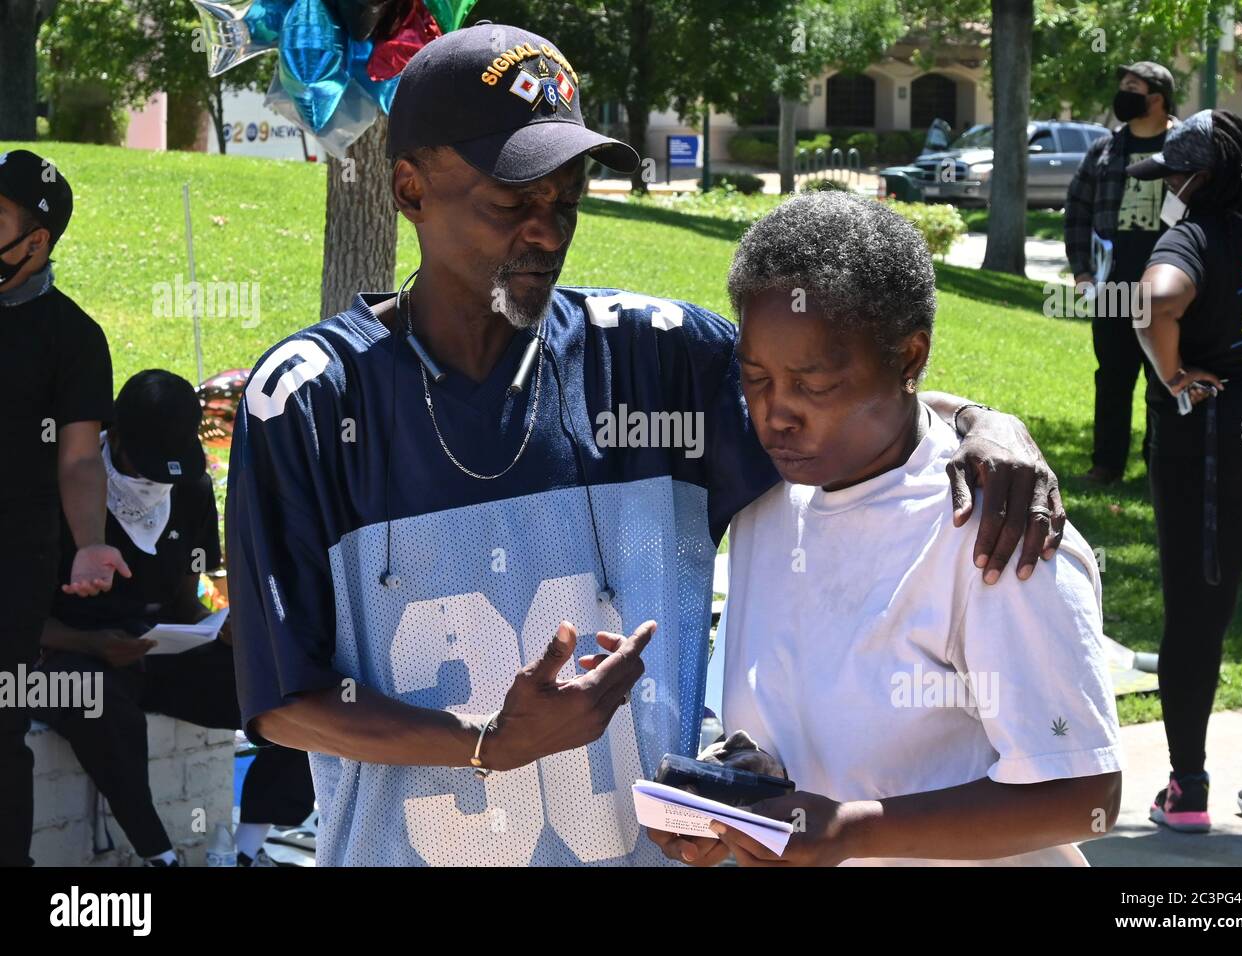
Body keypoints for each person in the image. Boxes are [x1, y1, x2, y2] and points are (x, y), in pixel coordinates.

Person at [228, 24, 1067, 867]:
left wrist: (979, 420)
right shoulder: (308, 398)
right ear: (410, 189)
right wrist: (486, 741)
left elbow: (845, 396)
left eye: (565, 200)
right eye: (513, 202)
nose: (547, 233)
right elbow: (281, 699)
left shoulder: (655, 357)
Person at [647, 193, 1122, 867]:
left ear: (909, 357)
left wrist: (855, 830)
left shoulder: (993, 528)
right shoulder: (768, 493)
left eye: (812, 386)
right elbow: (799, 728)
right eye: (754, 379)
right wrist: (736, 790)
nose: (776, 414)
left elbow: (1087, 791)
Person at [33, 370, 314, 866]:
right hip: (68, 655)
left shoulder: (190, 490)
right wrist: (95, 644)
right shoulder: (56, 489)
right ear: (114, 435)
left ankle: (246, 850)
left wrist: (222, 628)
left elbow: (186, 599)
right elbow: (19, 618)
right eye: (144, 467)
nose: (154, 482)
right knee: (93, 698)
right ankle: (159, 855)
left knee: (290, 680)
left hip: (157, 654)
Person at [1129, 110, 1242, 832]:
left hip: (1209, 445)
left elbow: (1157, 300)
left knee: (1198, 615)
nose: (1168, 184)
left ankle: (1187, 790)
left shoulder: (1195, 234)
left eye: (1175, 173)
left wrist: (1172, 377)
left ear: (1200, 177)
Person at [0, 149, 130, 867]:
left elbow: (79, 458)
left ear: (36, 240)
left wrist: (89, 542)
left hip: (13, 561)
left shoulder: (73, 338)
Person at [1065, 62, 1177, 484]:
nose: (1123, 93)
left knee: (1164, 379)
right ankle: (1106, 464)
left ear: (1157, 97)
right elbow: (1077, 208)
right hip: (1114, 287)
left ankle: (1160, 466)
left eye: (1133, 87)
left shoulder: (1185, 146)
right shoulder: (1105, 150)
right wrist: (1082, 273)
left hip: (1170, 291)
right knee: (1112, 377)